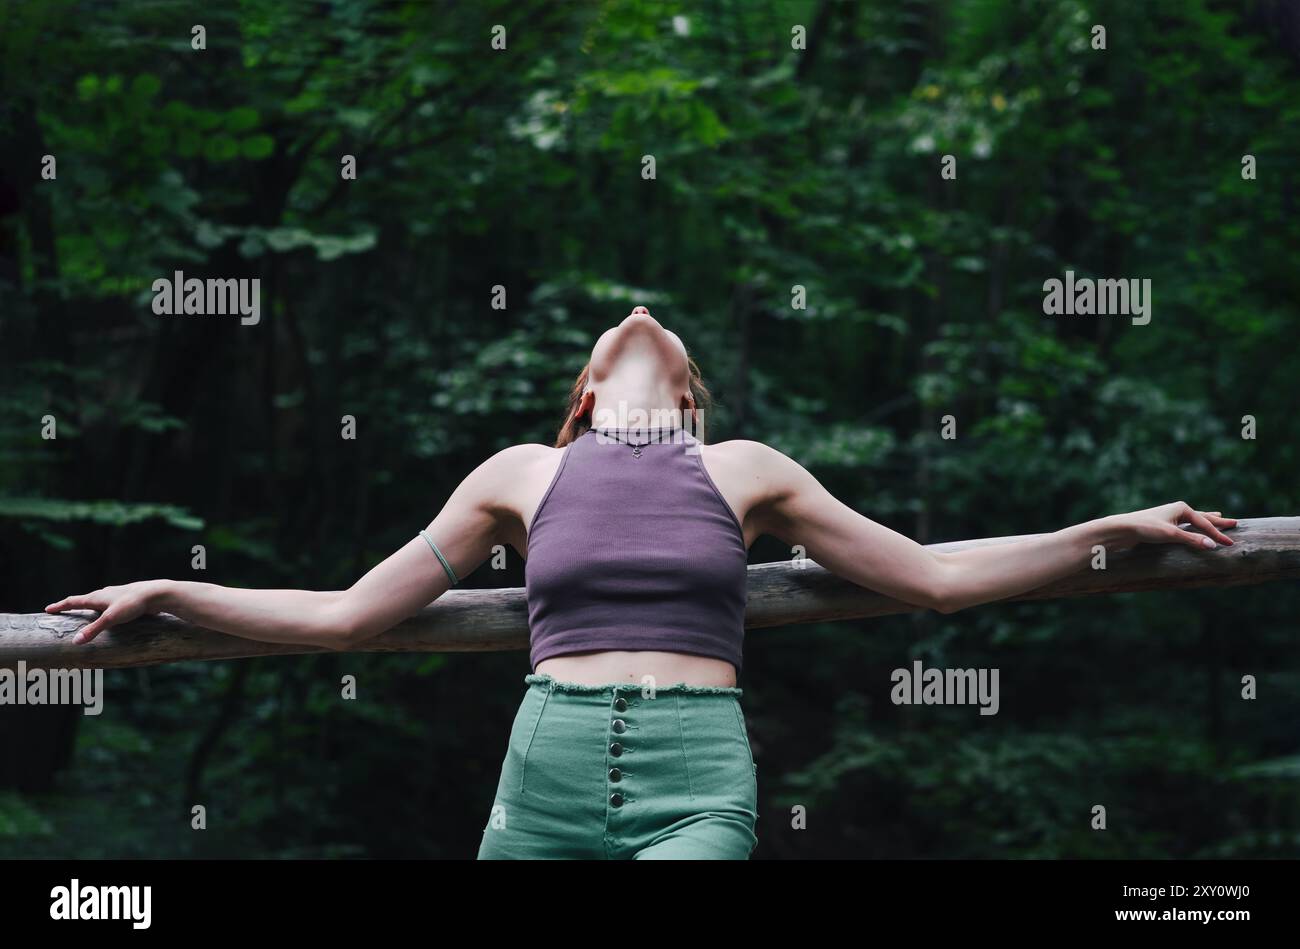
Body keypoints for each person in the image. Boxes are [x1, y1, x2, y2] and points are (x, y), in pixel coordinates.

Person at [45, 305, 1237, 859]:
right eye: (614, 330)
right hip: (541, 779)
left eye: (668, 338)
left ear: (686, 397)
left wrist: (1107, 529)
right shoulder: (520, 474)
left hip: (695, 781)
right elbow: (350, 614)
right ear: (583, 396)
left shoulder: (742, 469)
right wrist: (171, 591)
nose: (637, 313)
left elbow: (933, 580)